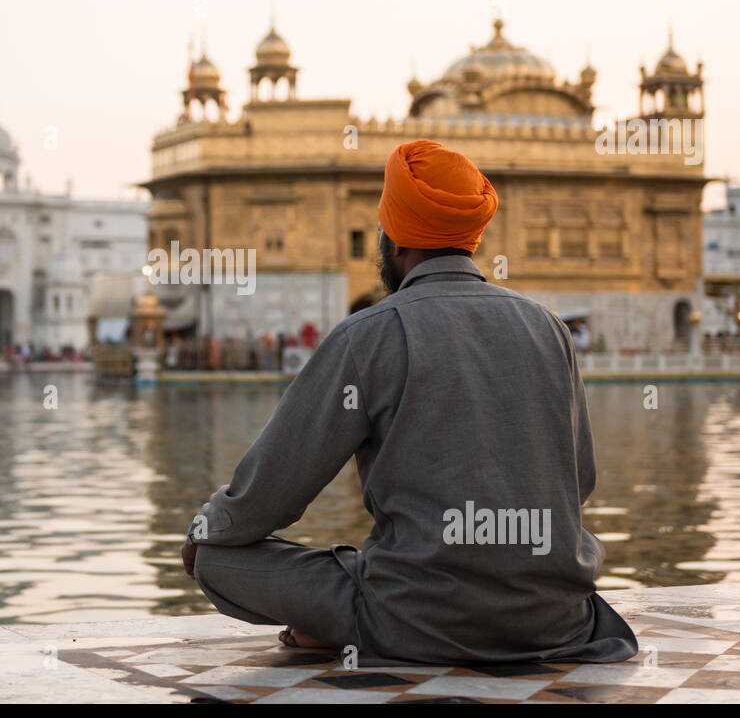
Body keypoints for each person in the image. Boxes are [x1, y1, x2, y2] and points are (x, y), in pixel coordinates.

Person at [181, 139, 637, 667]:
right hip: (554, 618)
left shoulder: (369, 335)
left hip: (412, 618)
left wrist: (206, 532)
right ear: (472, 238)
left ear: (390, 238)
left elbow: (269, 493)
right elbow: (578, 481)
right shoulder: (550, 328)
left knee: (217, 557)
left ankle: (345, 626)